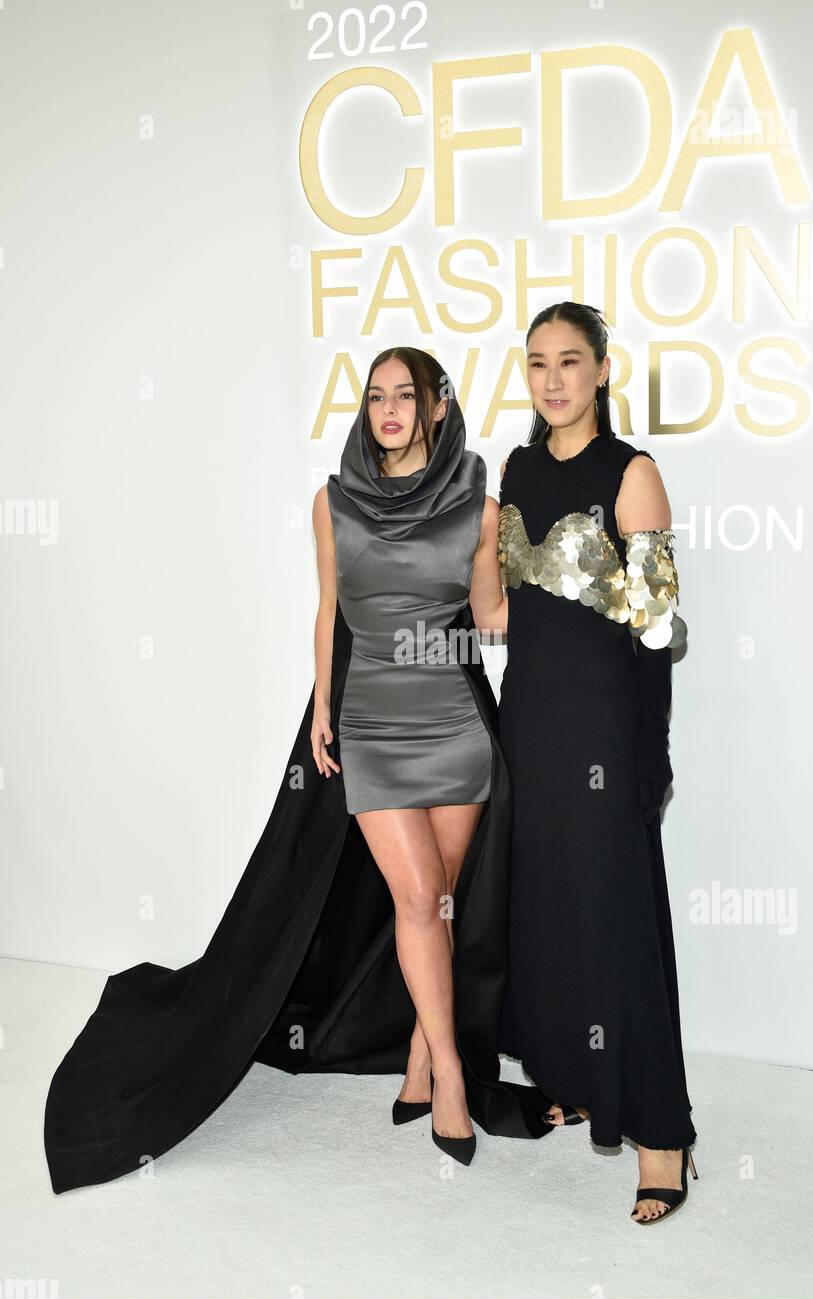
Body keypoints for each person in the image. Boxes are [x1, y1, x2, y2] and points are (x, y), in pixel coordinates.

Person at [43, 349, 551, 1195]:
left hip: (456, 723)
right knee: (419, 897)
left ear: (434, 407)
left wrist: (554, 576)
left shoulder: (479, 501)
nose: (388, 409)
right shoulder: (334, 500)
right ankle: (455, 1077)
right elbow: (329, 607)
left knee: (441, 898)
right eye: (376, 396)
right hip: (373, 722)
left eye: (406, 396)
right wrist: (324, 709)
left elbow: (491, 620)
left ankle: (424, 1052)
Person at [496, 302, 698, 1223]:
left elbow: (655, 633)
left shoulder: (634, 472)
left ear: (604, 372)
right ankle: (578, 1077)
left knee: (617, 923)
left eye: (570, 361)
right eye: (538, 363)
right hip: (530, 725)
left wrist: (648, 755)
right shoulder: (517, 469)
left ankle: (661, 1135)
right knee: (549, 912)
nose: (552, 379)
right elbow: (505, 613)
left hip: (606, 734)